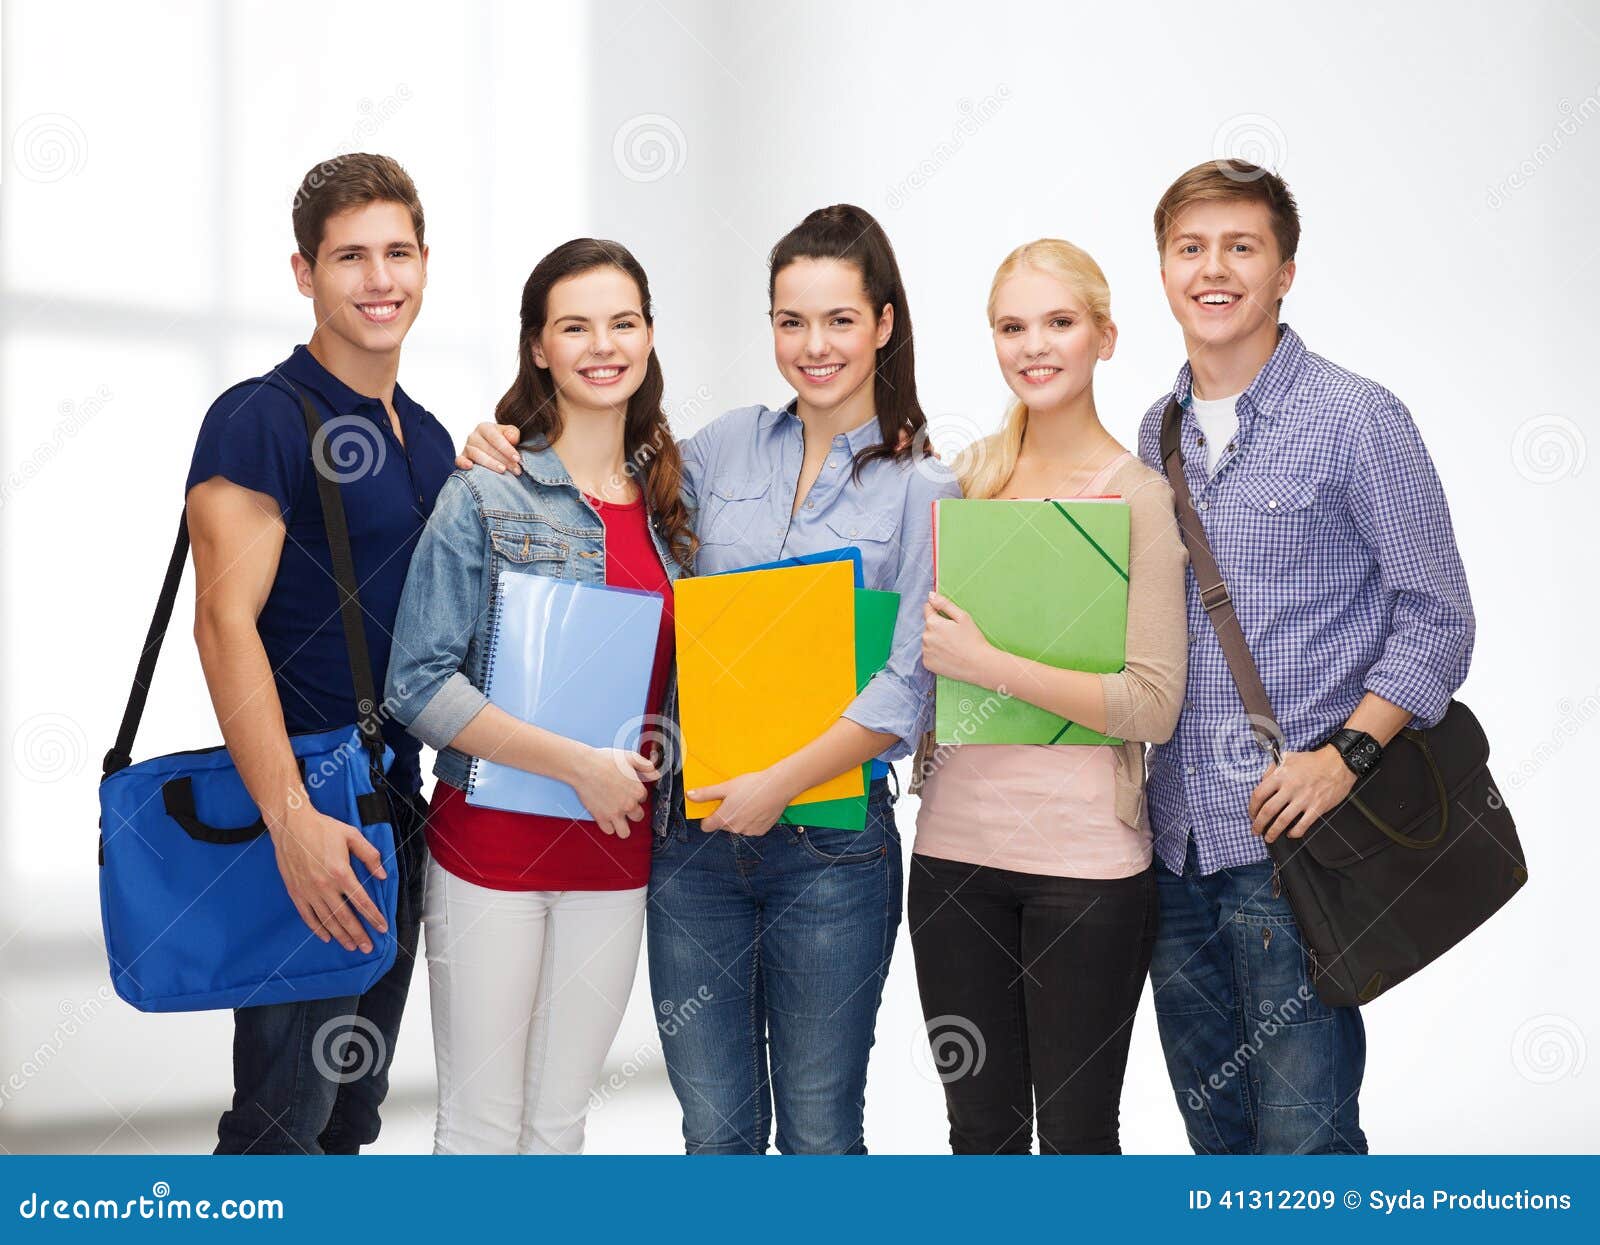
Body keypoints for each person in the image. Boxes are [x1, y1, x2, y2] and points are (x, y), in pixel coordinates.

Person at [460, 204, 958, 1154]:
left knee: (818, 1129)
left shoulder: (925, 489)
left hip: (831, 852)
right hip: (692, 842)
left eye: (840, 320)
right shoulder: (719, 446)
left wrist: (781, 783)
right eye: (790, 321)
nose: (814, 346)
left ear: (885, 324)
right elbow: (590, 480)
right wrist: (498, 446)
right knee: (715, 1130)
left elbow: (908, 685)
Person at [1138, 160, 1475, 1154]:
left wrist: (1344, 760)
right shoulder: (1151, 436)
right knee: (1220, 1149)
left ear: (1283, 270)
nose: (1214, 270)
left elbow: (1437, 623)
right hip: (1174, 852)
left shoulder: (1357, 419)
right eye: (1190, 249)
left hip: (1295, 856)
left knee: (1306, 1151)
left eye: (1240, 247)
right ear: (1162, 270)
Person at [385, 239, 692, 1153]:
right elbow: (417, 682)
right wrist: (578, 768)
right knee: (481, 1127)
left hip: (616, 856)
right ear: (539, 348)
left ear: (647, 336)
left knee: (559, 1129)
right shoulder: (487, 490)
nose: (603, 345)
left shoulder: (679, 506)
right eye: (575, 326)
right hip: (491, 853)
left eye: (623, 322)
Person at [184, 153, 455, 1154]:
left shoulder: (426, 440)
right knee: (277, 1127)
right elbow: (223, 626)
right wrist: (289, 817)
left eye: (396, 253)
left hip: (400, 812)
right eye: (350, 256)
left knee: (347, 1119)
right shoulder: (260, 420)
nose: (378, 279)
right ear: (305, 273)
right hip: (307, 807)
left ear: (426, 263)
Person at [911, 239, 1187, 1153]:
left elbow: (1152, 704)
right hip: (953, 862)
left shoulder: (1139, 498)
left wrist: (987, 662)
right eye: (1012, 326)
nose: (1036, 345)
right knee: (979, 1135)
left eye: (1059, 323)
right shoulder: (962, 481)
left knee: (1076, 1138)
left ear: (1105, 337)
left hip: (1088, 872)